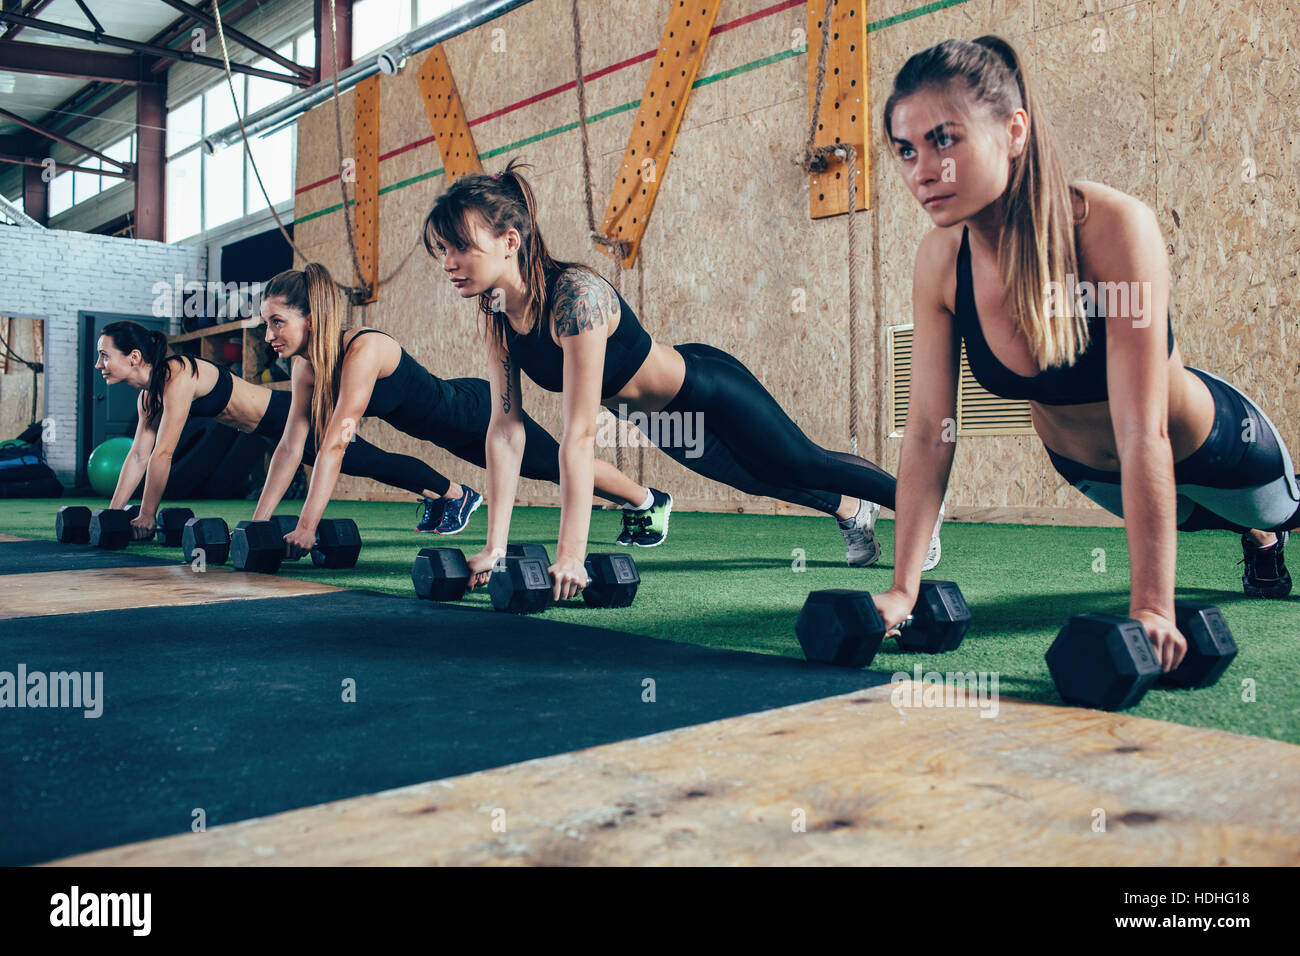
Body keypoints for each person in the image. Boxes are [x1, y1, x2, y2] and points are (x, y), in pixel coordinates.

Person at [876, 34, 1299, 672]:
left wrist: (1154, 606)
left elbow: (1143, 428)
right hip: (1094, 473)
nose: (923, 171)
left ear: (1014, 131)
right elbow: (931, 432)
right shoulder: (939, 261)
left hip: (1210, 447)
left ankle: (1264, 534)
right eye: (906, 150)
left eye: (945, 139)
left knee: (1284, 515)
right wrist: (903, 590)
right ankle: (1243, 529)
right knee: (1189, 527)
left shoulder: (1110, 229)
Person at [422, 160, 943, 601]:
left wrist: (571, 556)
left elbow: (578, 436)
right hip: (659, 421)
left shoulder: (574, 299)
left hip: (707, 391)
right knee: (756, 477)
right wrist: (494, 546)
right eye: (442, 251)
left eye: (458, 249)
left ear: (509, 241)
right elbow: (506, 429)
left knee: (801, 460)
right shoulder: (496, 313)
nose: (448, 264)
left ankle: (921, 507)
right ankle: (853, 511)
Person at [251, 263, 661, 557]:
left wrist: (306, 527)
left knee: (553, 464)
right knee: (549, 466)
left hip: (474, 412)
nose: (269, 335)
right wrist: (259, 524)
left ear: (310, 316)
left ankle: (646, 500)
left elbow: (336, 444)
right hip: (447, 431)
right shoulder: (306, 364)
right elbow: (291, 446)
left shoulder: (363, 350)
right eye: (267, 325)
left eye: (277, 322)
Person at [93, 319, 472, 539]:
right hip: (267, 431)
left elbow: (162, 453)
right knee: (369, 461)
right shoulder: (149, 399)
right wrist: (114, 513)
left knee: (369, 462)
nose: (100, 364)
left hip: (284, 415)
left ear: (135, 357)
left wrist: (145, 515)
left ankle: (456, 493)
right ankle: (444, 495)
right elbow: (139, 454)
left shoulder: (177, 373)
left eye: (105, 355)